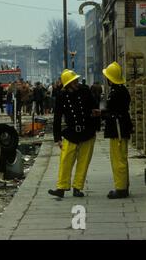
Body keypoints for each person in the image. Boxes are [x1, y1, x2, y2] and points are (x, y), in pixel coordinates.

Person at [48, 69, 99, 198]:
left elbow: (95, 107)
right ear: (68, 84)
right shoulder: (61, 96)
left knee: (83, 162)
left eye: (76, 80)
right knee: (65, 161)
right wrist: (57, 138)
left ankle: (77, 187)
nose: (76, 82)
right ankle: (61, 187)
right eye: (73, 81)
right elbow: (57, 118)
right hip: (71, 133)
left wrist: (96, 127)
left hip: (87, 132)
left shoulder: (85, 91)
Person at [99, 62, 133, 199]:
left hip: (117, 129)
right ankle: (124, 185)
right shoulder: (121, 90)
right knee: (121, 158)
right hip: (120, 127)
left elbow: (115, 112)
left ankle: (120, 188)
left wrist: (102, 113)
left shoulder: (116, 92)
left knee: (118, 159)